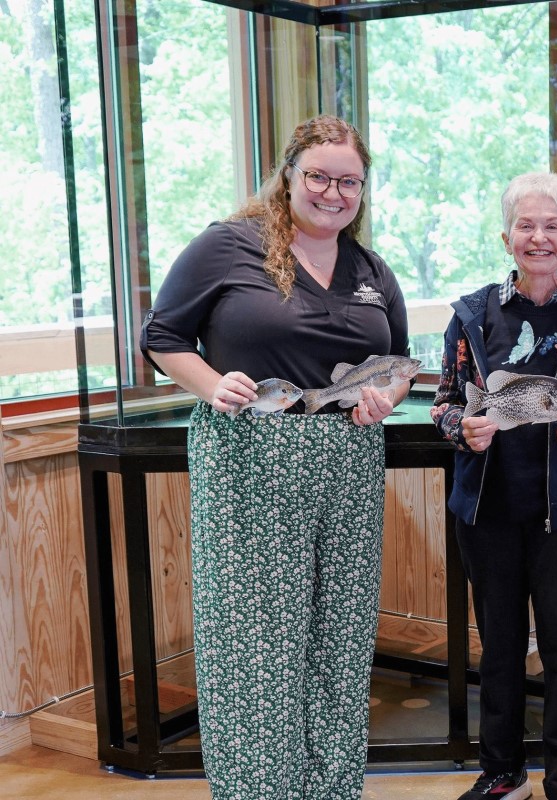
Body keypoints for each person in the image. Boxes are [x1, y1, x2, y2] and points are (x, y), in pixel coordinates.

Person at [140, 115, 411, 800]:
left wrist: (386, 391)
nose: (332, 191)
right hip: (253, 456)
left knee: (341, 641)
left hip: (348, 460)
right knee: (256, 648)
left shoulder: (370, 268)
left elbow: (398, 362)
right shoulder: (229, 246)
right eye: (318, 175)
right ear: (287, 173)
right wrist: (212, 384)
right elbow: (162, 337)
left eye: (348, 181)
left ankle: (330, 789)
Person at [431, 171, 557, 800]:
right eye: (526, 225)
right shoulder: (471, 314)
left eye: (552, 227)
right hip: (487, 509)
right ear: (506, 235)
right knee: (498, 651)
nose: (538, 237)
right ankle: (502, 772)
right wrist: (465, 429)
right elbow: (443, 404)